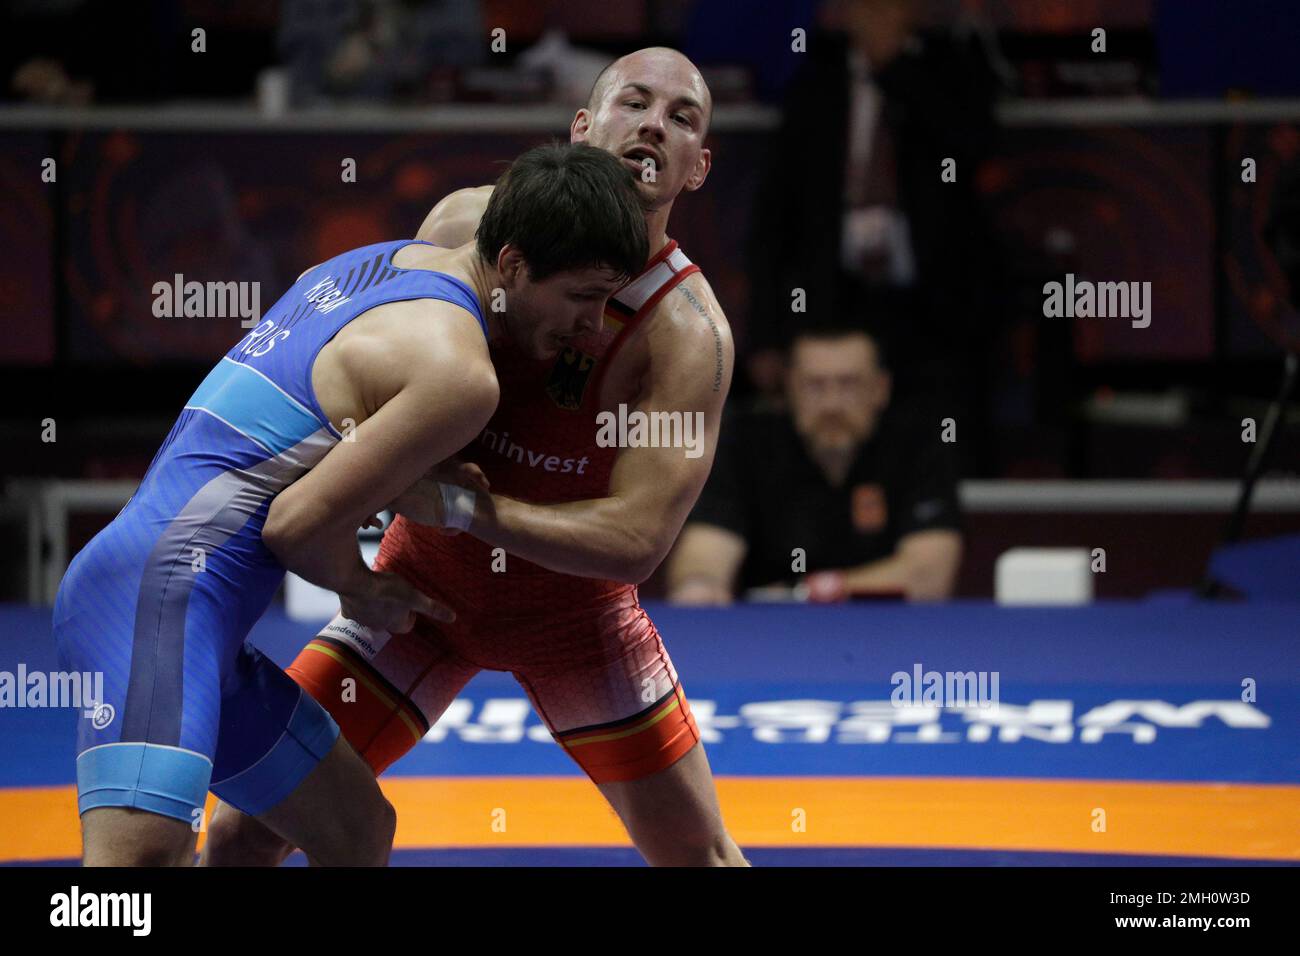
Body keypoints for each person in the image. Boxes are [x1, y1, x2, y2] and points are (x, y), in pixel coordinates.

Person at [203, 46, 749, 867]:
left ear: (698, 167)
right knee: (243, 834)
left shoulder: (686, 335)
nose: (653, 126)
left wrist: (465, 507)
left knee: (699, 857)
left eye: (682, 119)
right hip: (417, 595)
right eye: (634, 103)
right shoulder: (464, 227)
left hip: (577, 622)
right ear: (582, 125)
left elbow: (640, 540)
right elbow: (368, 378)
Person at [52, 141, 648, 866]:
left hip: (191, 615)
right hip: (157, 599)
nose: (592, 327)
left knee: (355, 829)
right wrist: (365, 590)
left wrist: (400, 471)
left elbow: (302, 432)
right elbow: (296, 526)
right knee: (126, 887)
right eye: (583, 298)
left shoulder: (378, 263)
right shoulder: (461, 373)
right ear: (515, 264)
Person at [668, 325, 962, 604]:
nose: (831, 404)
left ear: (880, 388)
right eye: (814, 386)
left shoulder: (919, 446)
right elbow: (705, 554)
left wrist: (806, 592)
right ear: (789, 389)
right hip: (773, 639)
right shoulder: (745, 446)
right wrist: (699, 586)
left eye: (849, 384)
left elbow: (928, 578)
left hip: (895, 636)